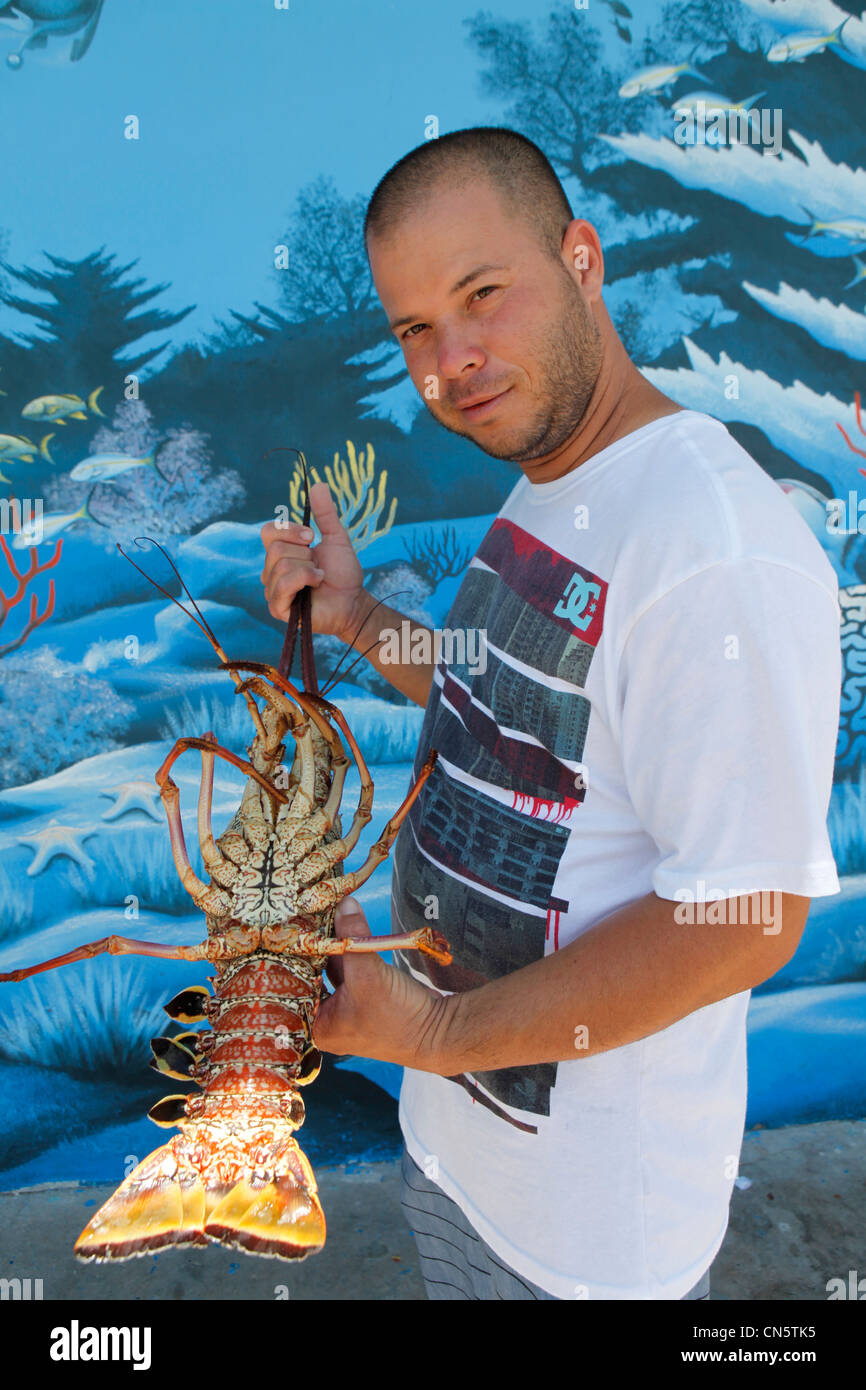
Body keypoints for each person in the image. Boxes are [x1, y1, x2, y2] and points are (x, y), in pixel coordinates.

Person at [259, 127, 841, 1300]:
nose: (452, 358)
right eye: (414, 328)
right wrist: (361, 619)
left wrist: (424, 1036)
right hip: (460, 1156)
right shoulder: (558, 475)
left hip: (586, 1245)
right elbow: (507, 696)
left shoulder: (712, 550)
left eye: (482, 294)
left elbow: (741, 923)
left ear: (580, 258)